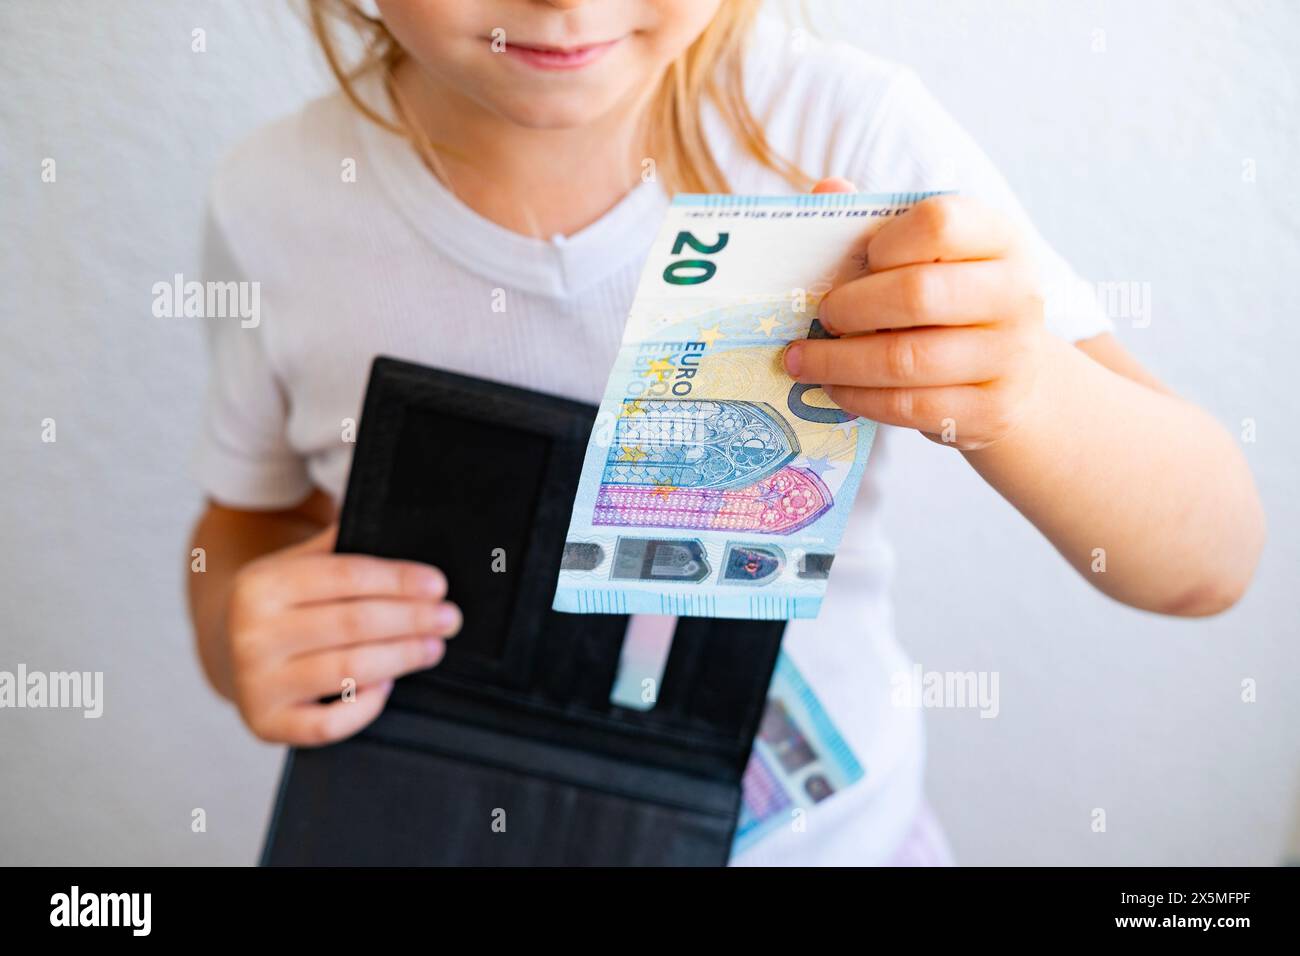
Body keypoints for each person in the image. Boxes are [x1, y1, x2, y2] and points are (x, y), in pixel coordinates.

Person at [187, 0, 1265, 865]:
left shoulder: (846, 136)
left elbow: (1205, 561)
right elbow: (245, 519)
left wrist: (1025, 389)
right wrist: (243, 637)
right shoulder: (274, 202)